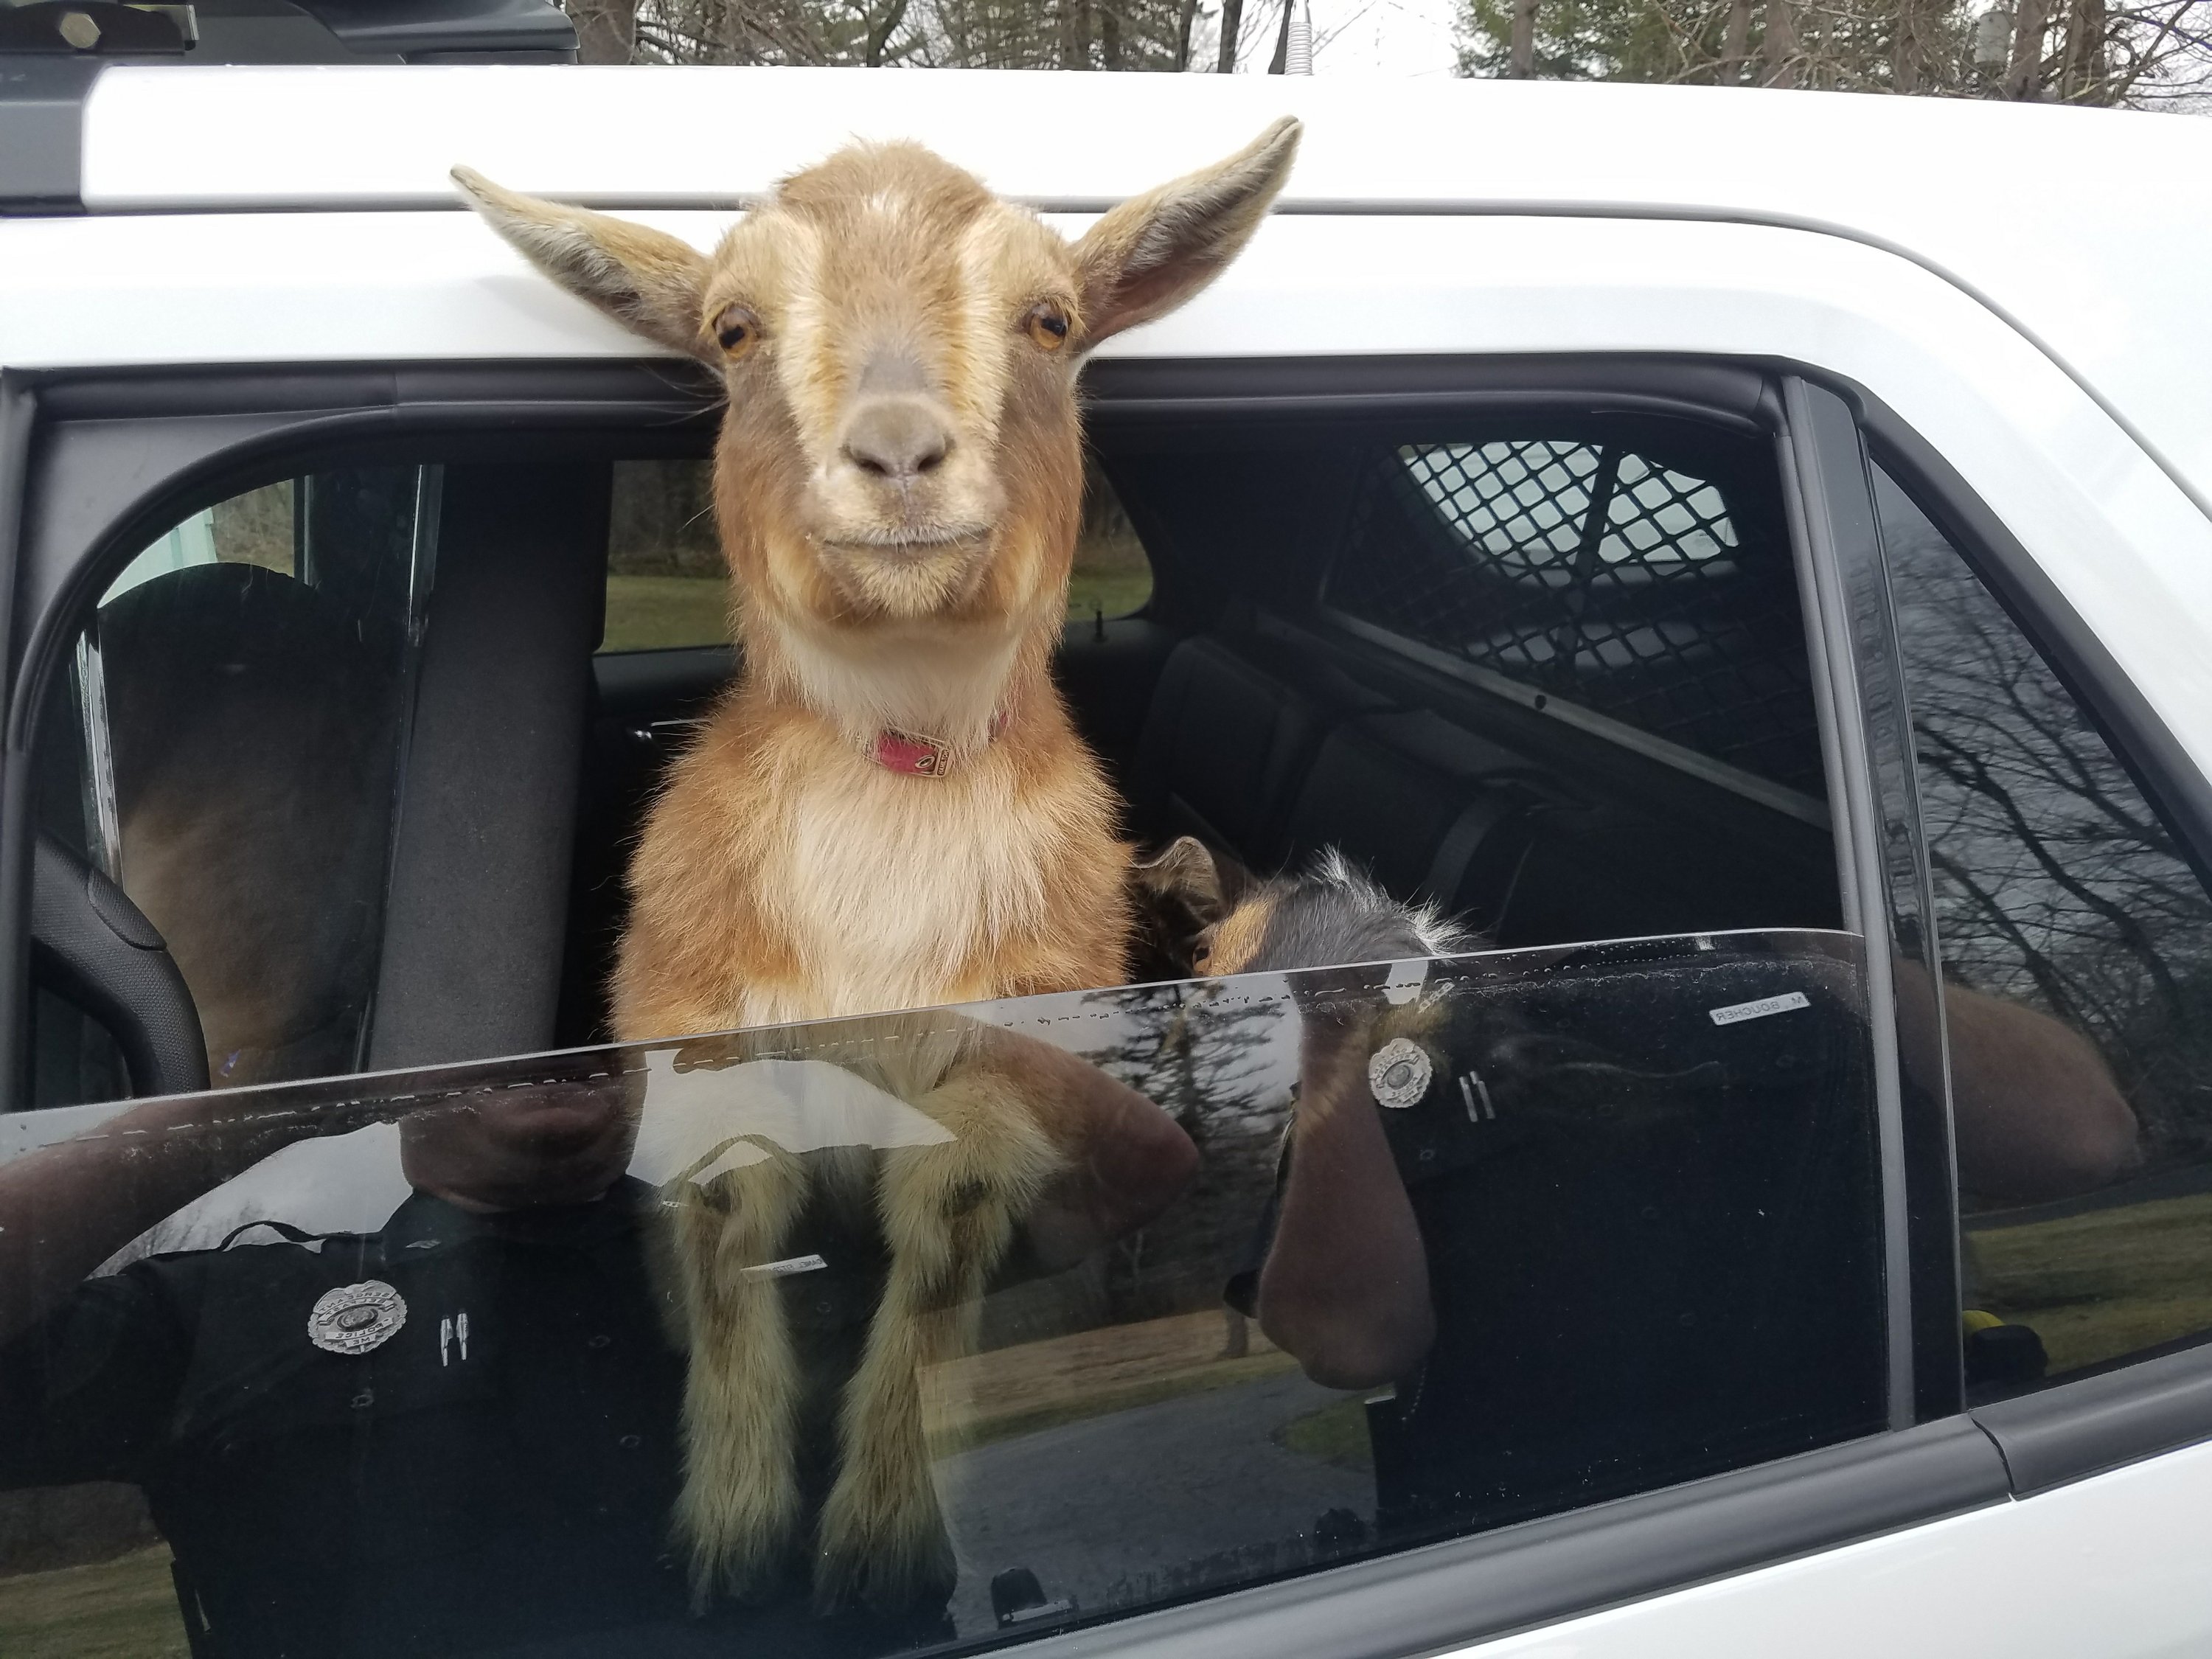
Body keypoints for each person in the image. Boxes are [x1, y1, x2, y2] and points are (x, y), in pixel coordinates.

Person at [0, 1026, 1194, 1659]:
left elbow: (1130, 1168)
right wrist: (293, 1077)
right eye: (501, 988)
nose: (545, 1021)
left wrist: (822, 1006)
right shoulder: (233, 1310)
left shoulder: (788, 1228)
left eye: (587, 978)